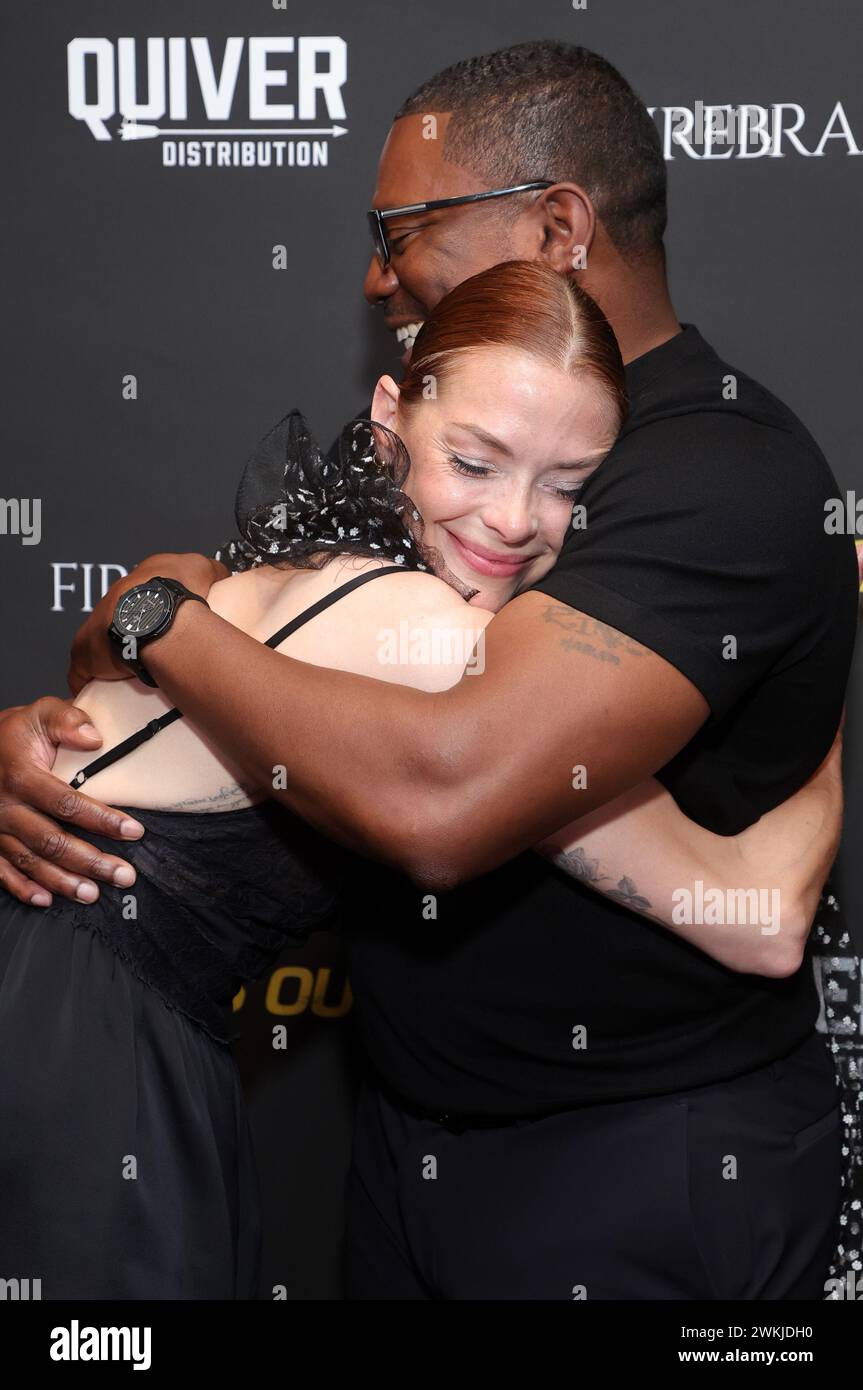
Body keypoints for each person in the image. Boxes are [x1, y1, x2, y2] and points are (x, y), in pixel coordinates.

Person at [0, 43, 858, 1299]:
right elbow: (137, 648)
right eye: (474, 461)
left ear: (557, 226)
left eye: (402, 224)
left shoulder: (716, 473)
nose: (515, 517)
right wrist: (135, 626)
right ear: (399, 426)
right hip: (275, 1112)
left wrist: (156, 618)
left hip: (618, 1169)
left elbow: (452, 803)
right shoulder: (405, 553)